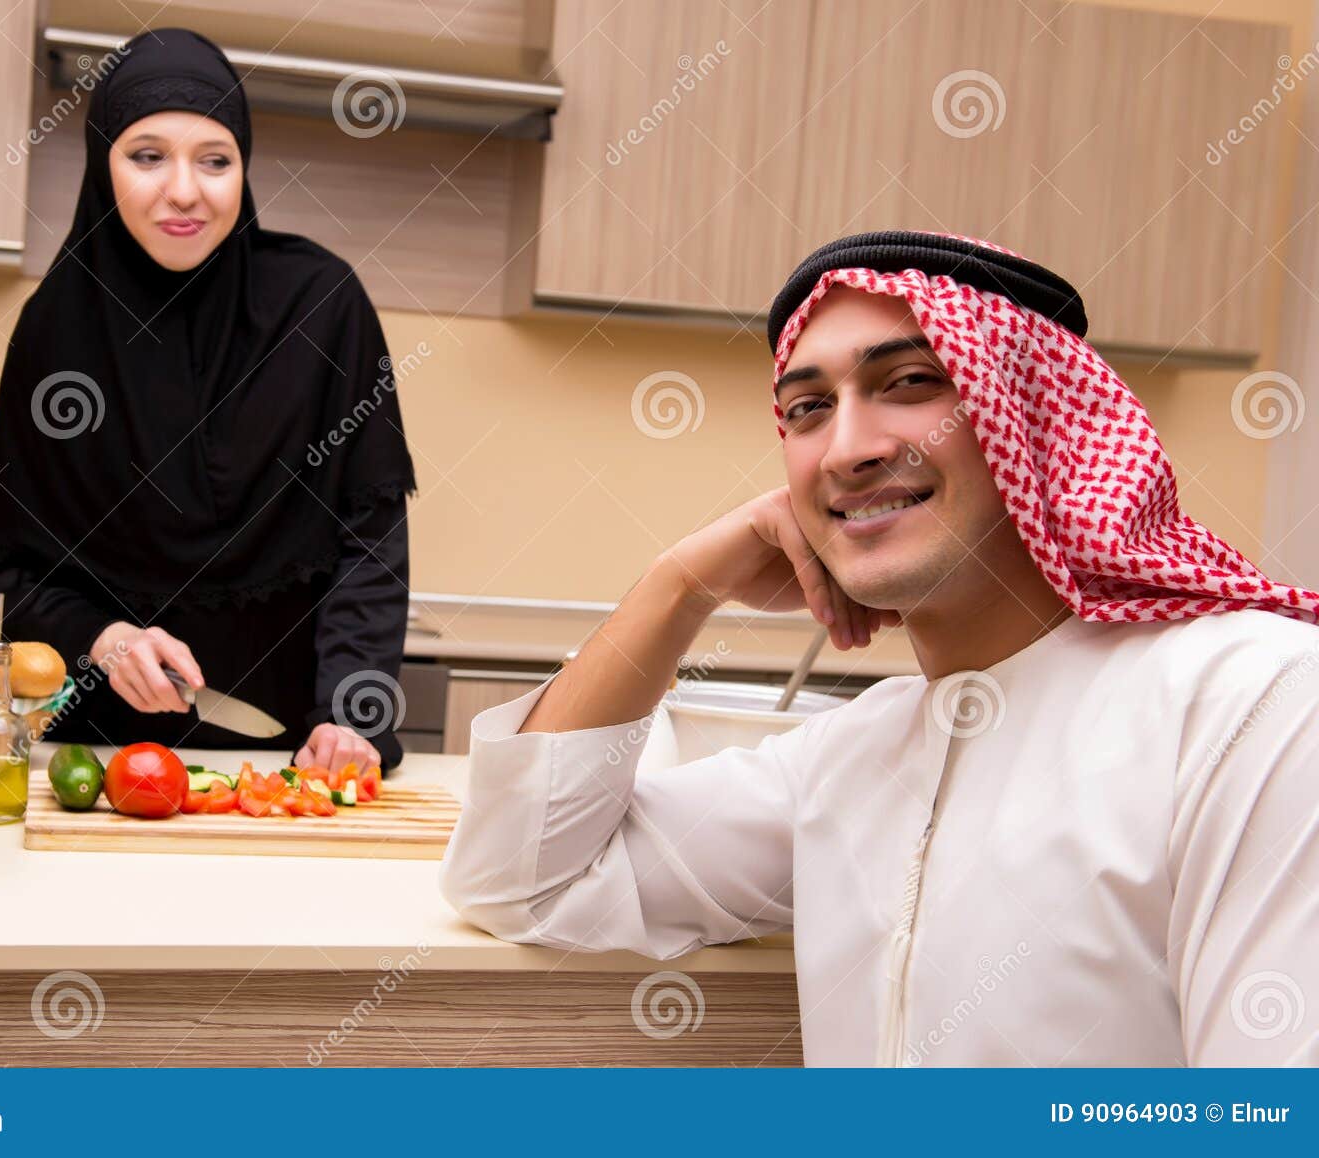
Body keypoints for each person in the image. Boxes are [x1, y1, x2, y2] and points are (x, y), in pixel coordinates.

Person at [439, 230, 1319, 1065]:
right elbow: (523, 879)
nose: (847, 450)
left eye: (910, 382)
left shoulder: (1254, 706)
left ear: (1036, 420)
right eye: (809, 409)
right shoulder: (858, 754)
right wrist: (681, 587)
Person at [0, 29, 416, 772]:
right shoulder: (55, 330)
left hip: (290, 759)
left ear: (244, 170)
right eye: (147, 156)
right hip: (101, 762)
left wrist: (350, 718)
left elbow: (369, 541)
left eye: (216, 160)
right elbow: (8, 577)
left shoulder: (321, 305)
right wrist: (107, 640)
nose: (184, 190)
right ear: (100, 165)